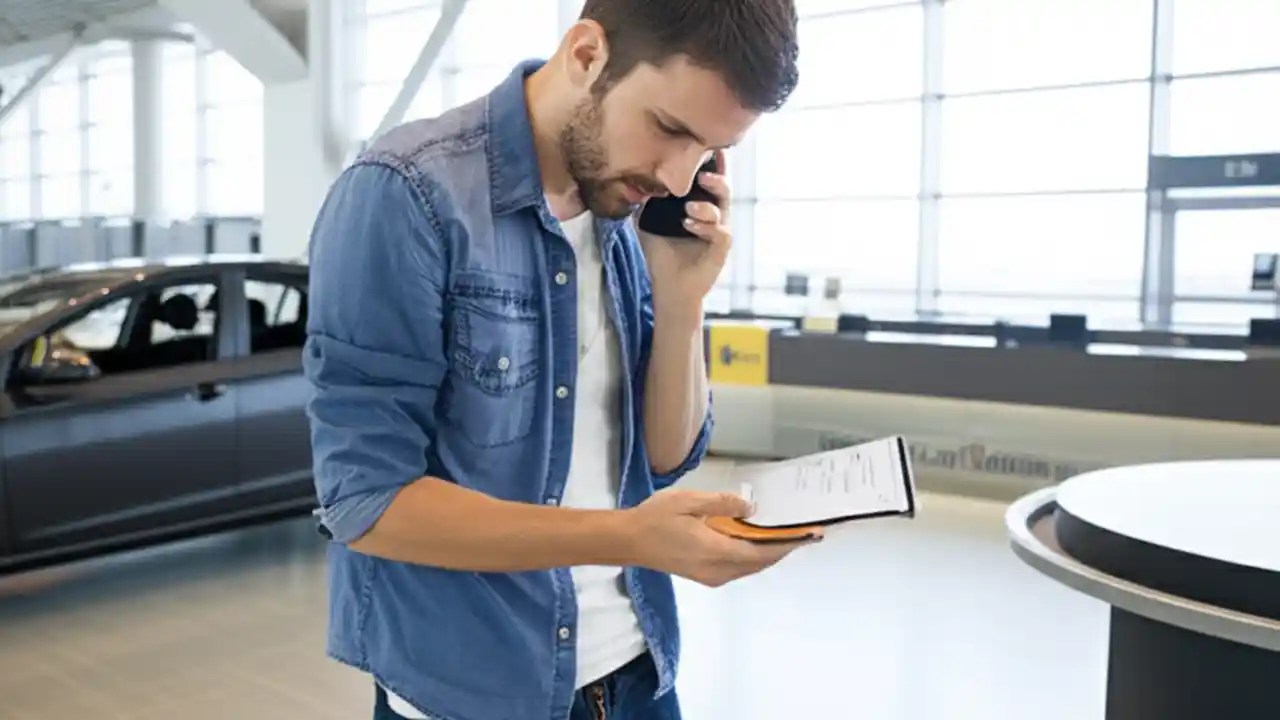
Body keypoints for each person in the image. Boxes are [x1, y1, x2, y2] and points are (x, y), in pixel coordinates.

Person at [303, 1, 808, 718]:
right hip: (475, 693)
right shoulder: (406, 195)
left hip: (637, 674)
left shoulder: (624, 212)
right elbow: (368, 501)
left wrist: (682, 298)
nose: (674, 178)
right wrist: (630, 537)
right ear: (585, 55)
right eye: (668, 128)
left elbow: (662, 456)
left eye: (705, 151)